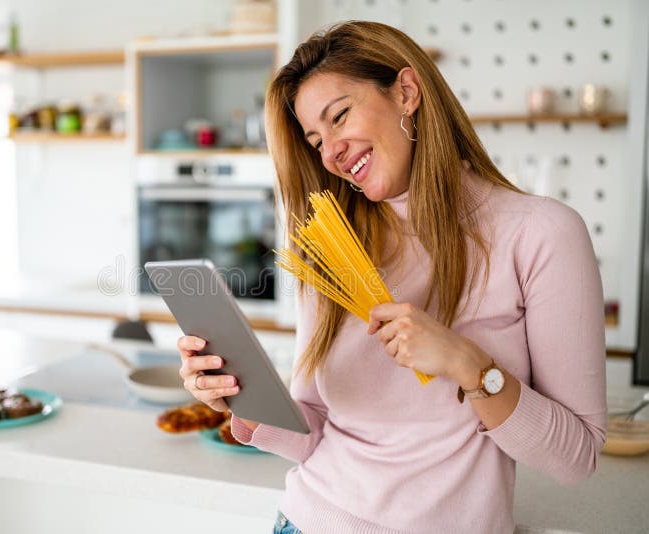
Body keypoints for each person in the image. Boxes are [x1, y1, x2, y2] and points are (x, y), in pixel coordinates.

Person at [176, 20, 607, 534]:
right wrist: (240, 397)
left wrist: (470, 367)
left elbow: (577, 457)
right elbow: (316, 430)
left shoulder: (541, 234)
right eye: (315, 140)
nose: (330, 152)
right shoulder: (333, 243)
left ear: (406, 92)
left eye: (339, 117)